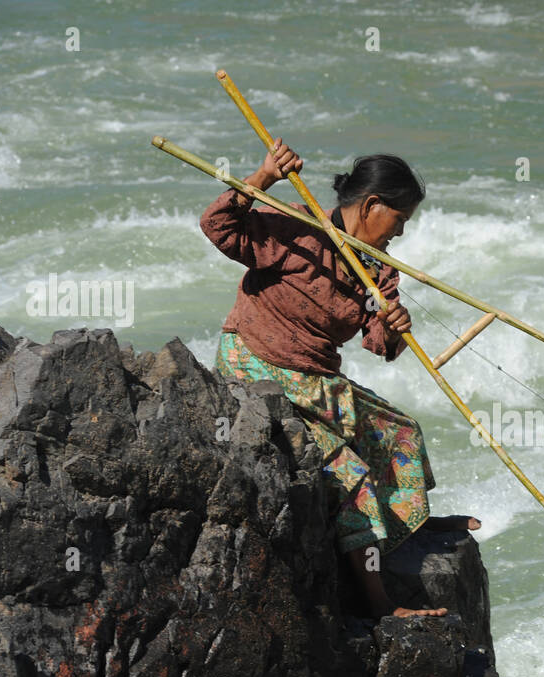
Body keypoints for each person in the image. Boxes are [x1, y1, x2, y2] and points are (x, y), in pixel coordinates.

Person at [201, 140, 479, 618]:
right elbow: (218, 226)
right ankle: (380, 604)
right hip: (257, 365)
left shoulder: (376, 270)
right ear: (371, 206)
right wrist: (263, 177)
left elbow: (379, 344)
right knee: (350, 475)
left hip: (317, 378)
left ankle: (412, 521)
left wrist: (394, 327)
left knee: (401, 431)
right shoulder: (294, 227)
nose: (401, 233)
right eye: (400, 220)